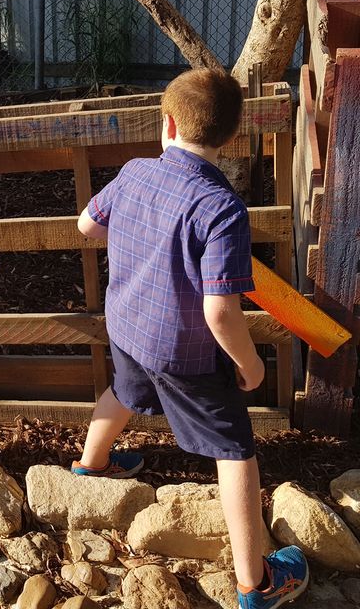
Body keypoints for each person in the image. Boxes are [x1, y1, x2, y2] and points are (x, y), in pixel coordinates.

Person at [72, 69, 309, 609]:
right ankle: (257, 582)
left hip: (127, 325)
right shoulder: (220, 207)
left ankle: (91, 463)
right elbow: (220, 311)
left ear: (168, 122)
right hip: (187, 352)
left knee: (123, 389)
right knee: (234, 451)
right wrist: (250, 365)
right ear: (229, 138)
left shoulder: (133, 173)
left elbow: (87, 225)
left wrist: (134, 237)